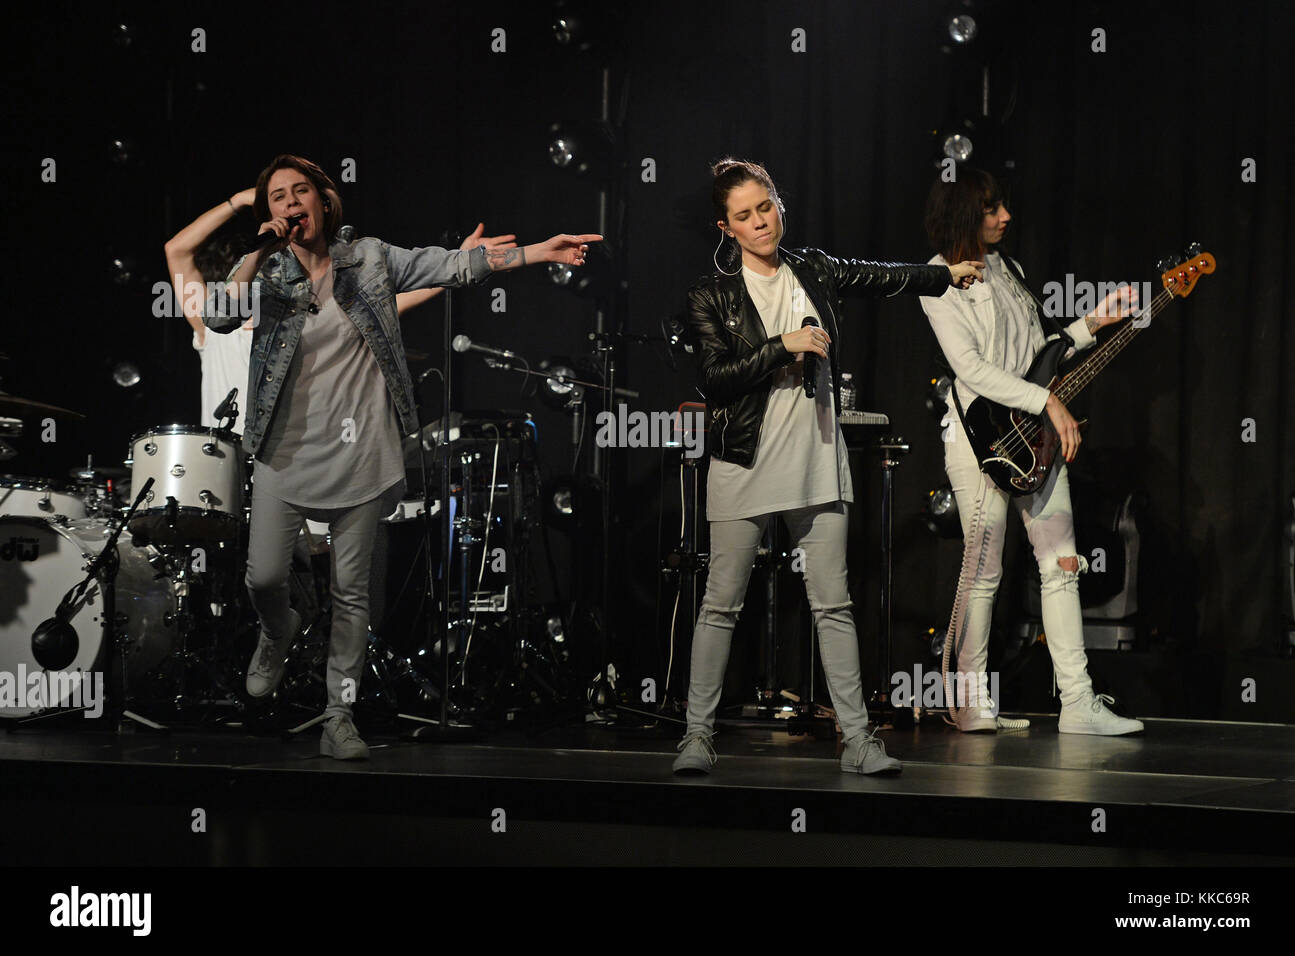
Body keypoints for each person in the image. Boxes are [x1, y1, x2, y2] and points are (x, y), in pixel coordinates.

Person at [204, 153, 599, 758]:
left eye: (299, 192)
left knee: (352, 592)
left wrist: (538, 252)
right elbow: (218, 315)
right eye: (277, 197)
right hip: (284, 451)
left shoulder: (370, 258)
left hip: (361, 452)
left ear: (323, 201)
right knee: (264, 577)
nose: (289, 204)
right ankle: (277, 631)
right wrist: (257, 250)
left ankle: (340, 716)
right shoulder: (263, 276)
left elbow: (454, 265)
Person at [675, 159, 984, 775]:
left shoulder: (811, 268)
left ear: (778, 206)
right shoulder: (711, 296)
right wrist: (780, 347)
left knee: (834, 605)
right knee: (720, 606)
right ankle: (696, 737)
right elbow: (714, 379)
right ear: (725, 227)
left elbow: (877, 277)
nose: (760, 222)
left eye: (765, 207)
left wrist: (940, 276)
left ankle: (858, 741)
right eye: (744, 215)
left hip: (816, 463)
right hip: (744, 464)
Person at [918, 166, 1144, 735]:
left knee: (1062, 563)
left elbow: (1037, 355)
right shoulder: (936, 280)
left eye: (1003, 207)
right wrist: (1049, 402)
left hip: (1033, 438)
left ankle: (1078, 703)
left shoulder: (1009, 269)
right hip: (978, 444)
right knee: (985, 573)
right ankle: (969, 701)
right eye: (992, 209)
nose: (1006, 217)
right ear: (966, 213)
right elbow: (971, 369)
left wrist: (1093, 322)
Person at [166, 191, 513, 433]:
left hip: (286, 461)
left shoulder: (296, 313)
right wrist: (238, 202)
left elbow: (398, 296)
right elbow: (177, 250)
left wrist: (460, 261)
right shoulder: (210, 324)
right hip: (221, 463)